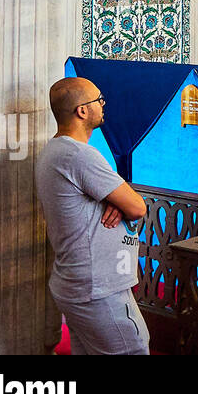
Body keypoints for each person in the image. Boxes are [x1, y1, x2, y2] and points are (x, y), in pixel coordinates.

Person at [35, 77, 149, 356]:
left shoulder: (55, 150)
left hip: (81, 282)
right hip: (97, 287)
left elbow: (124, 202)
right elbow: (138, 207)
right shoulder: (78, 155)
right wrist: (124, 203)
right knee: (132, 349)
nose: (103, 104)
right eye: (99, 100)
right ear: (82, 111)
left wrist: (117, 202)